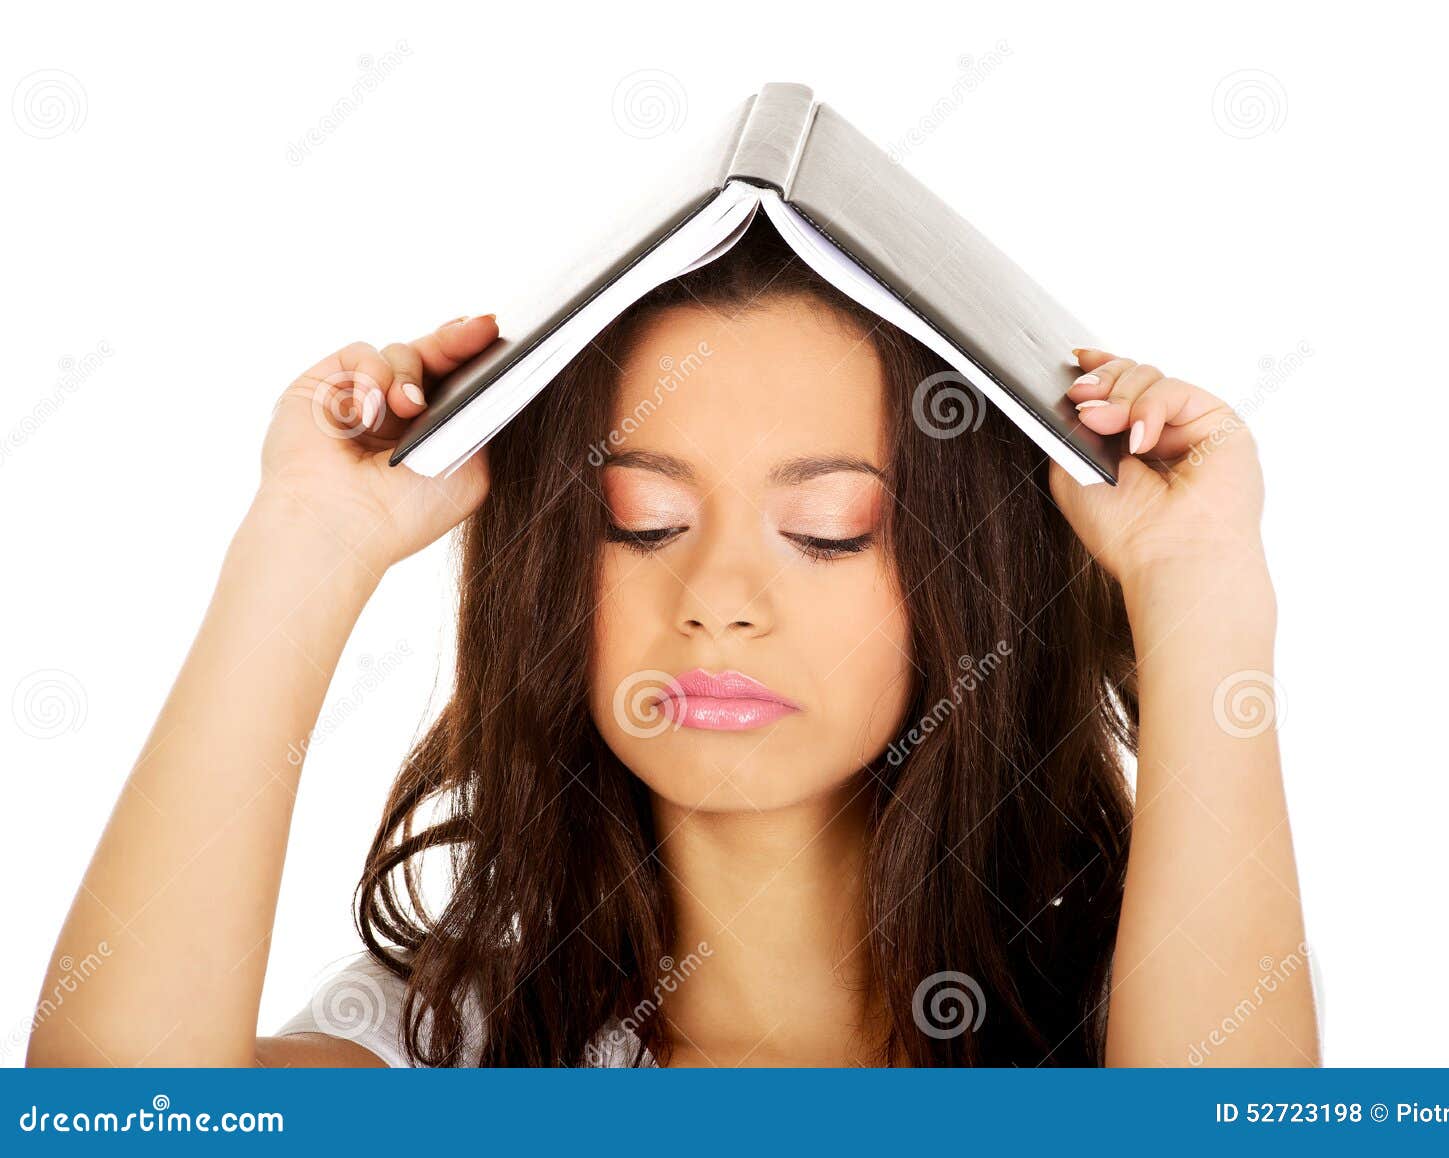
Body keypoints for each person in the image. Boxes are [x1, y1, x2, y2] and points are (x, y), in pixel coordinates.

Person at [28, 217, 1315, 1068]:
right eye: (641, 523)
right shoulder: (439, 1053)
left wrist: (1200, 585)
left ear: (966, 583)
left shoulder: (1135, 1022)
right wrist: (304, 539)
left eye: (827, 529)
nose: (717, 598)